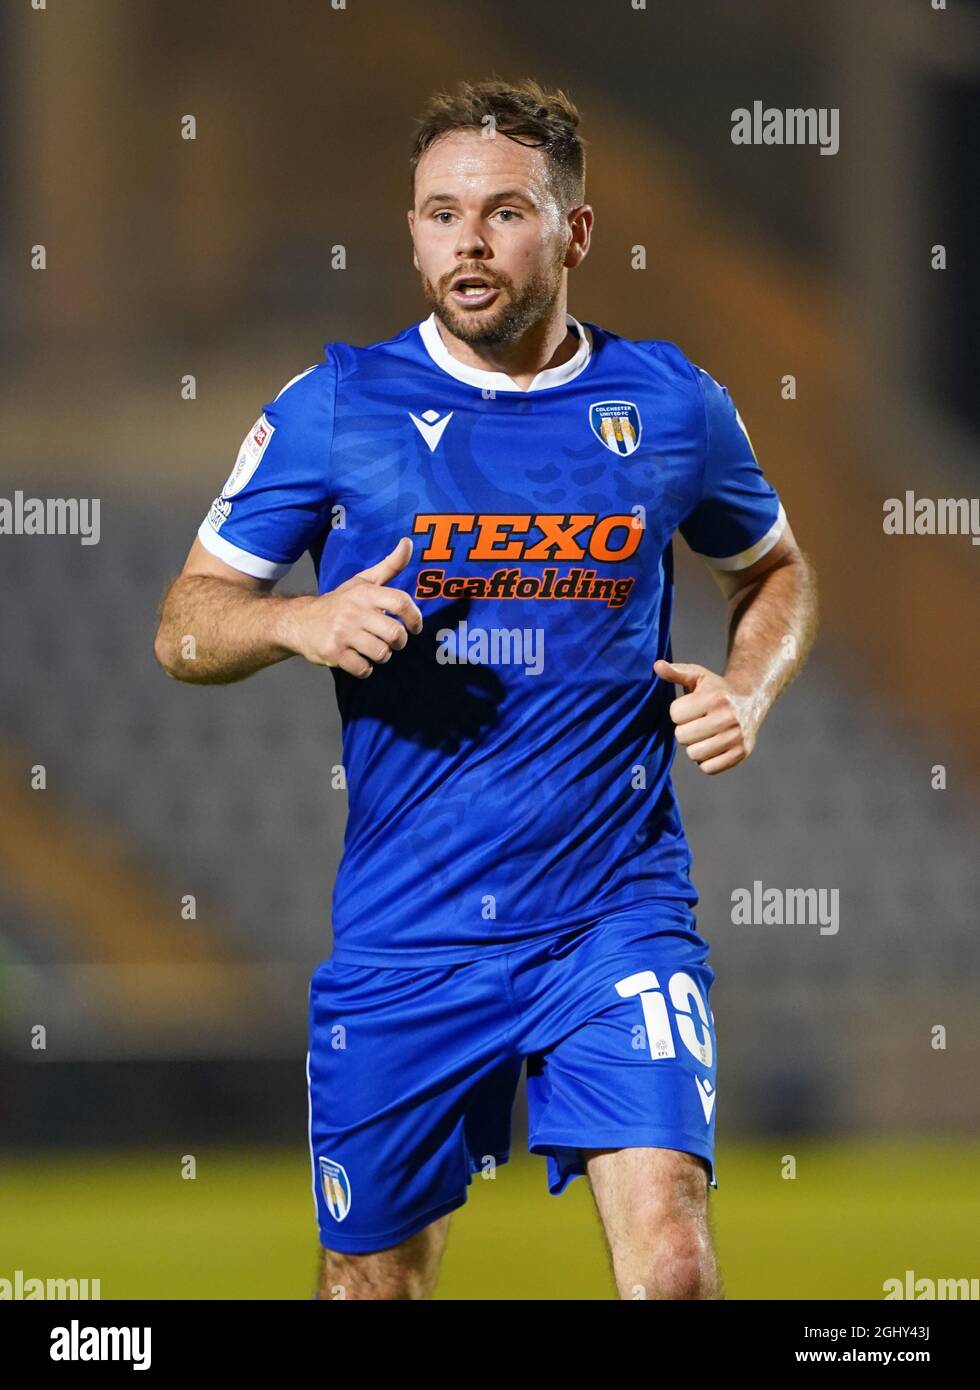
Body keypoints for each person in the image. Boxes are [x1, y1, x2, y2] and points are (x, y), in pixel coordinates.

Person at [155, 77, 817, 1300]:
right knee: (371, 1288)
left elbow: (773, 568)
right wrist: (301, 618)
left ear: (572, 233)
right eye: (438, 213)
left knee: (672, 1261)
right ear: (410, 232)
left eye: (502, 212)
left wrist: (748, 689)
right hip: (408, 936)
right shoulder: (333, 408)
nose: (465, 240)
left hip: (612, 918)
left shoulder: (669, 404)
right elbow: (184, 625)